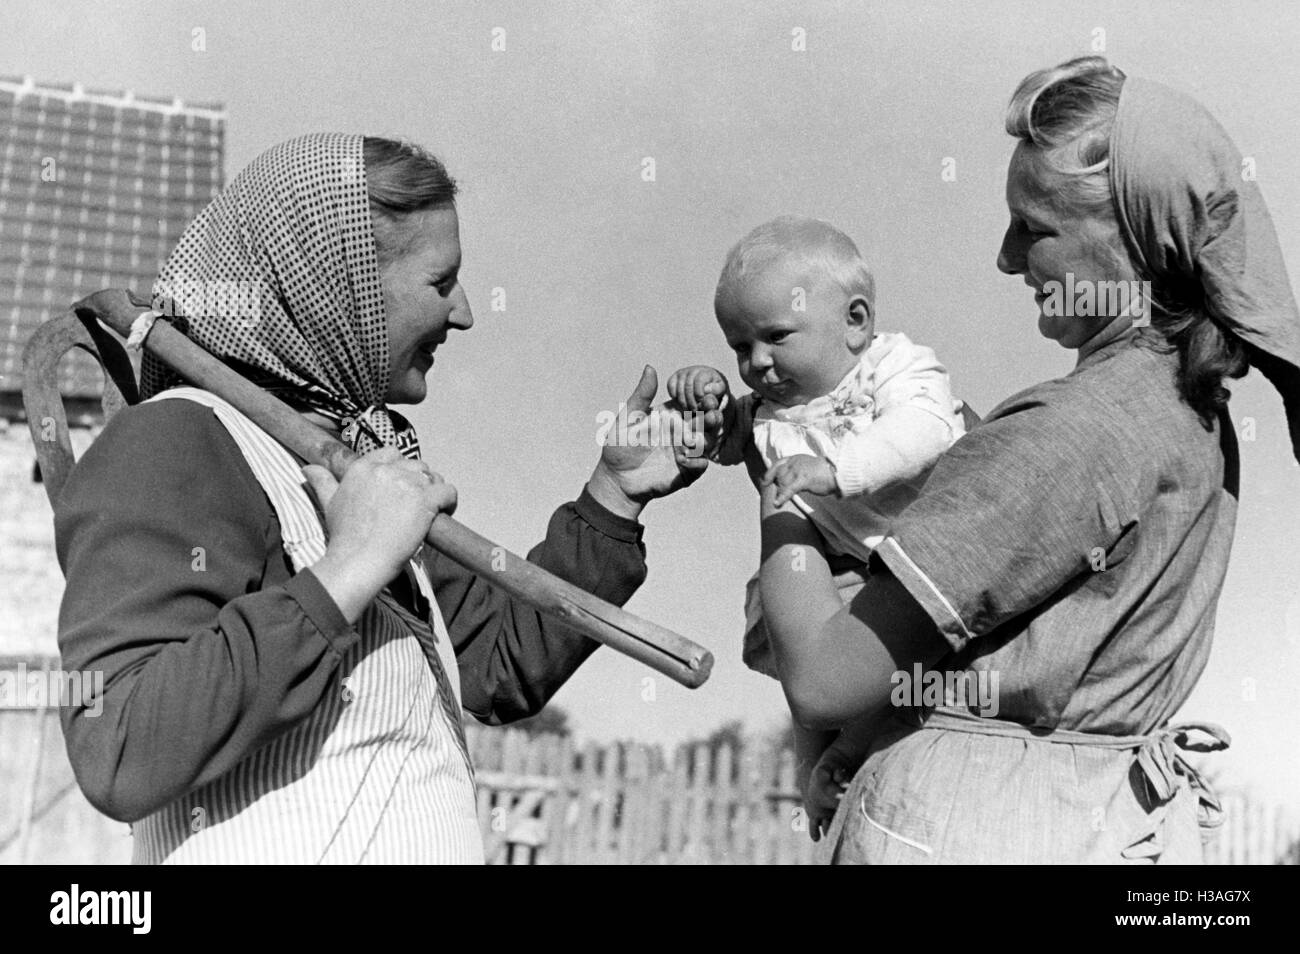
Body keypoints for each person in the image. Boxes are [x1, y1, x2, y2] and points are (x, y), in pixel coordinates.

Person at [56, 134, 711, 864]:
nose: (463, 313)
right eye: (441, 283)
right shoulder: (176, 444)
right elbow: (116, 742)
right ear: (344, 291)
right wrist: (346, 572)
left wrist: (614, 496)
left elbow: (497, 663)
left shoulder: (363, 469)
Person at [758, 57, 1300, 863]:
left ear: (1131, 243)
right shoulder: (1190, 417)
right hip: (1103, 823)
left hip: (970, 829)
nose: (1008, 259)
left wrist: (784, 489)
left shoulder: (1070, 432)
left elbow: (826, 677)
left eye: (1034, 227)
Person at [666, 215, 966, 836]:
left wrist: (838, 469)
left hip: (926, 560)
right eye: (738, 348)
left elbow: (926, 432)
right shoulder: (769, 411)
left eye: (776, 336)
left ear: (855, 322)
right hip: (848, 567)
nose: (758, 362)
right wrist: (705, 400)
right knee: (801, 640)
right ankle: (814, 765)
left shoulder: (897, 367)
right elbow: (723, 444)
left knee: (902, 676)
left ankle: (844, 752)